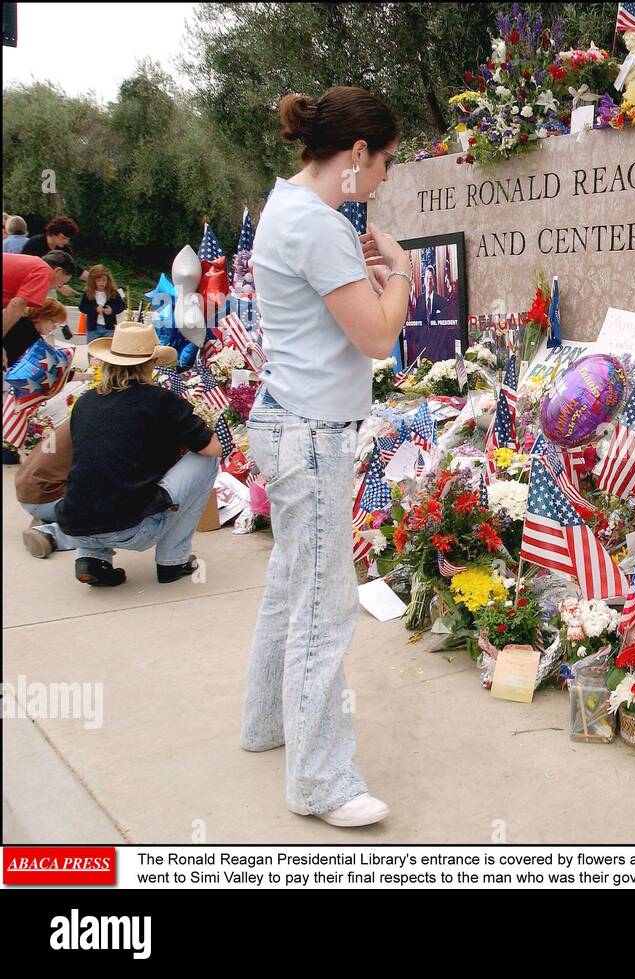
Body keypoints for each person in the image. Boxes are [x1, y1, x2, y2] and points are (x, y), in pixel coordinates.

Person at [241, 86, 410, 829]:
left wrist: (371, 285)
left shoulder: (290, 206)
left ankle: (266, 723)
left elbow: (340, 324)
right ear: (357, 153)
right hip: (312, 432)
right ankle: (320, 779)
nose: (383, 179)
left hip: (289, 420)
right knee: (322, 603)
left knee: (291, 585)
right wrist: (400, 272)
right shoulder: (320, 223)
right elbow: (377, 338)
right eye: (384, 163)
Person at [56, 322, 221, 587]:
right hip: (131, 528)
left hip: (76, 524)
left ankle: (91, 557)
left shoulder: (85, 403)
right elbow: (212, 447)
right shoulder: (160, 400)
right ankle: (173, 560)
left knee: (101, 472)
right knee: (207, 461)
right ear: (151, 362)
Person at [16, 418, 81, 558]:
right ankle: (51, 534)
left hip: (31, 488)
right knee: (119, 522)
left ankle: (48, 519)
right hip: (49, 495)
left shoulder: (86, 409)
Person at [3, 251, 79, 365]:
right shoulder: (44, 270)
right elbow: (17, 304)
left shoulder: (32, 264)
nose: (58, 287)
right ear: (57, 271)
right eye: (61, 283)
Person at [79, 265, 126, 343]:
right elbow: (82, 307)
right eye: (98, 280)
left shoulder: (113, 292)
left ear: (108, 280)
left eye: (104, 280)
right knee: (92, 349)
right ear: (93, 281)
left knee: (107, 350)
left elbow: (121, 305)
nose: (101, 283)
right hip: (93, 328)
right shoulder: (88, 293)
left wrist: (112, 310)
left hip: (109, 328)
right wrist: (95, 309)